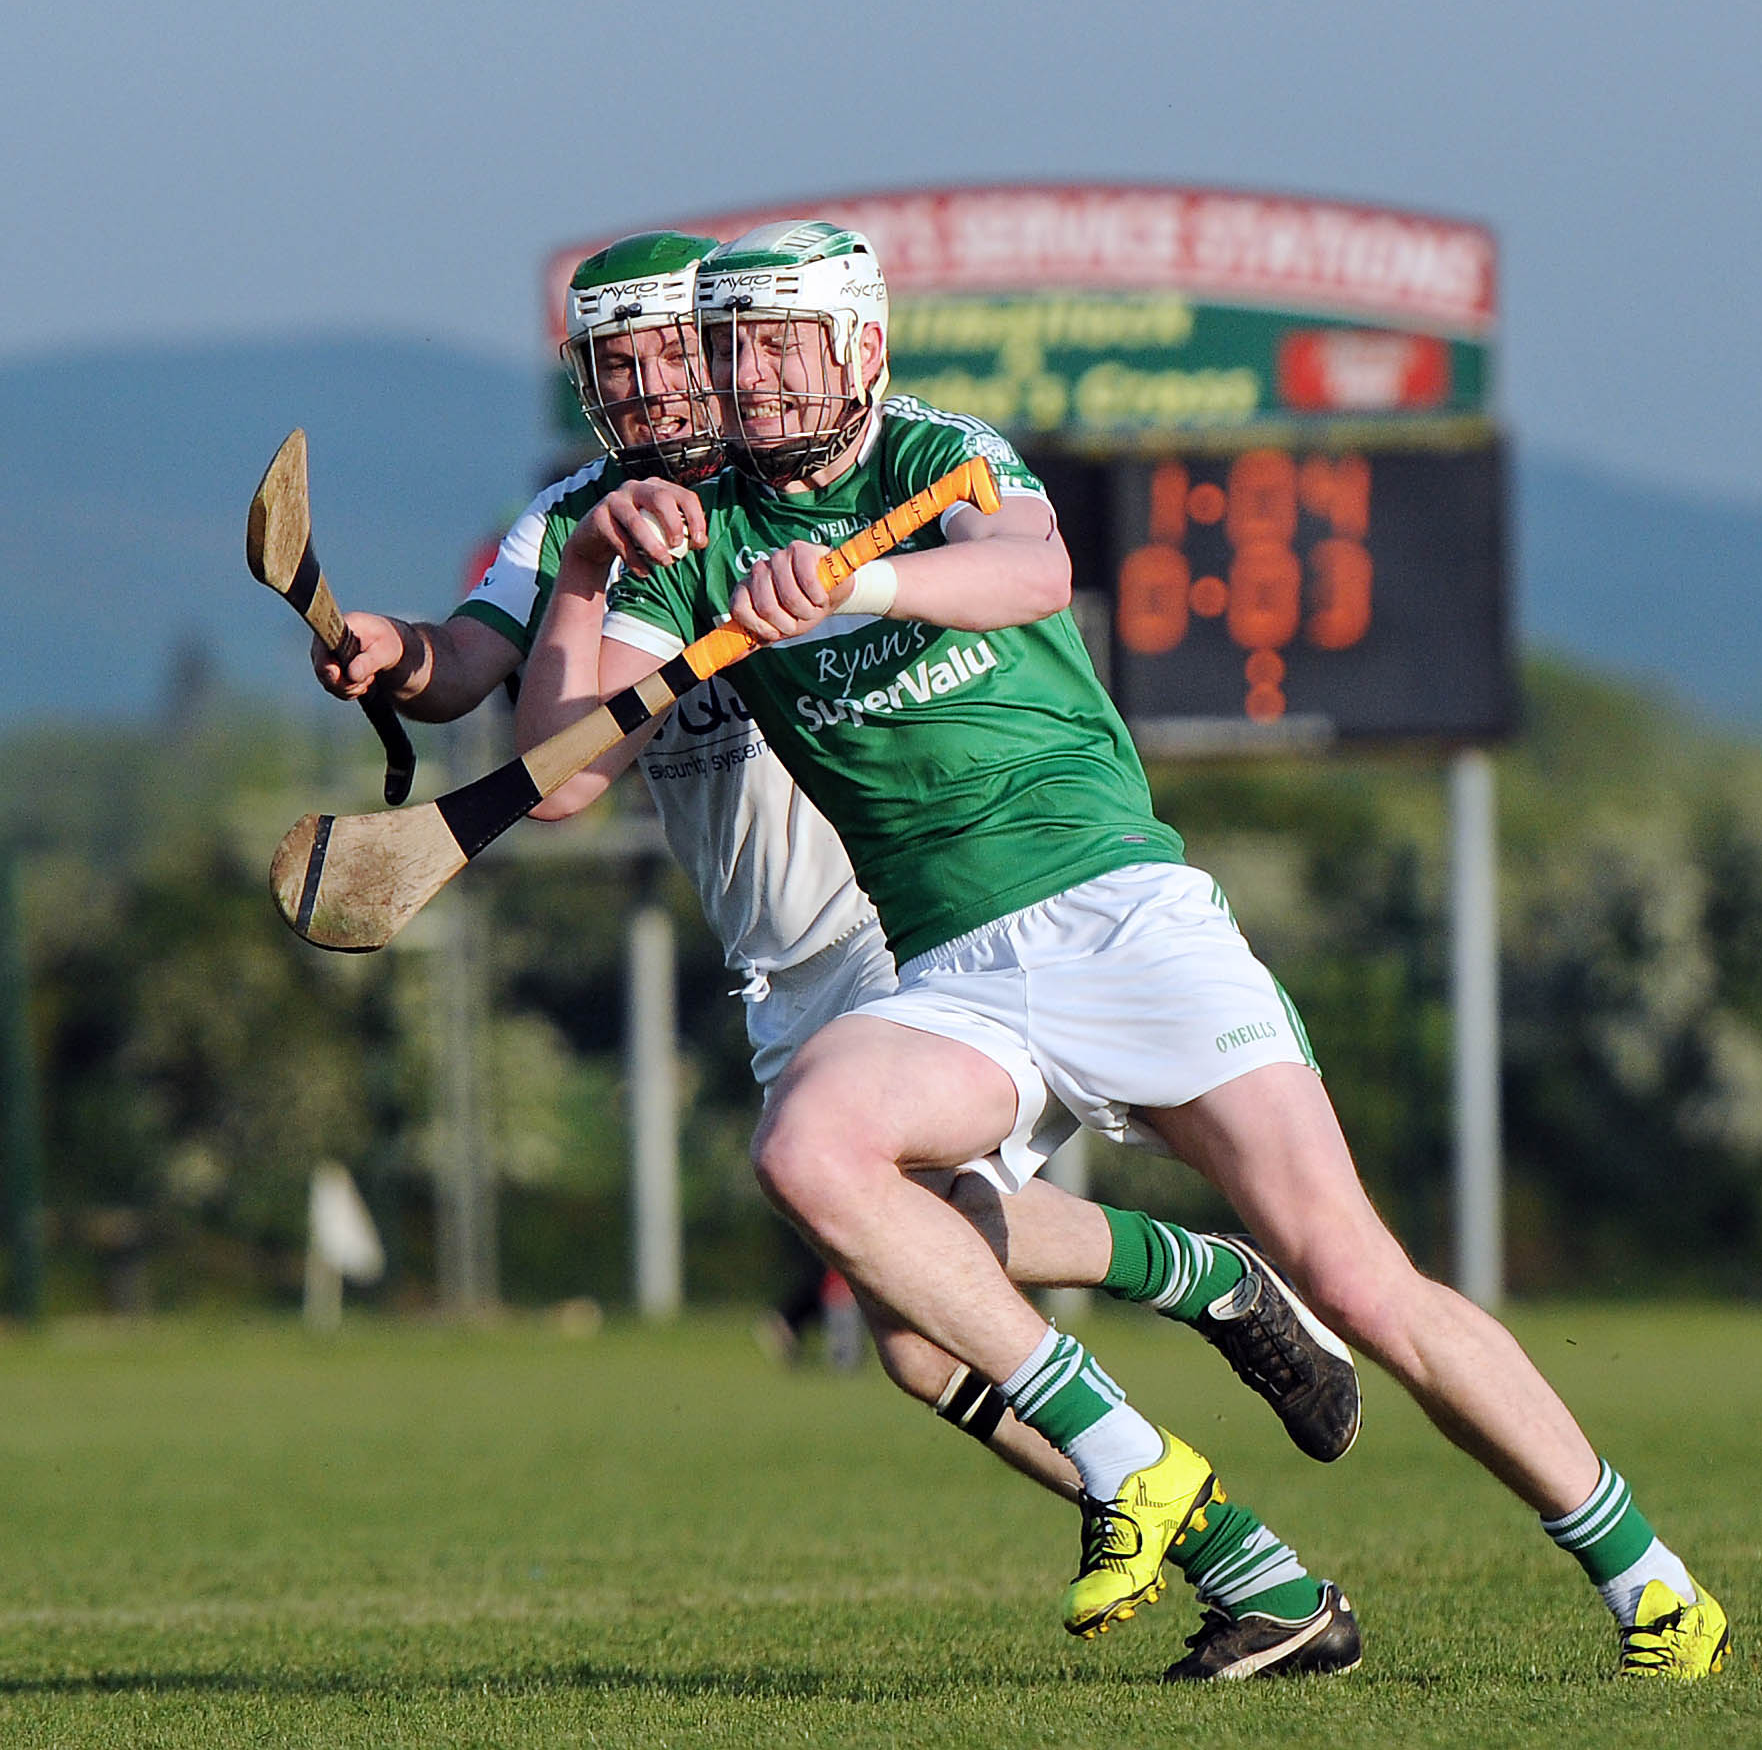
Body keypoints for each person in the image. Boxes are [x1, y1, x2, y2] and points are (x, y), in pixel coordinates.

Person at [524, 218, 1730, 1680]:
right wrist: (585, 573)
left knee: (1359, 1285)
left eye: (784, 339)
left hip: (1125, 920)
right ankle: (1133, 1468)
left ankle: (1650, 1581)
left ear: (860, 347)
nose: (756, 374)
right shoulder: (692, 545)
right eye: (735, 346)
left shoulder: (929, 454)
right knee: (810, 1155)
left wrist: (864, 585)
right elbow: (566, 779)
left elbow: (1031, 569)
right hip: (953, 977)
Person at [315, 228, 1364, 1682]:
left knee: (904, 1261)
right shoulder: (573, 516)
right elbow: (490, 687)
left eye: (657, 354)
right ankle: (1243, 1487)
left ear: (721, 346)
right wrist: (388, 646)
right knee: (923, 1342)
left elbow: (996, 572)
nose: (636, 388)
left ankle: (1211, 1471)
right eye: (605, 365)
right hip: (776, 964)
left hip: (904, 934)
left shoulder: (804, 493)